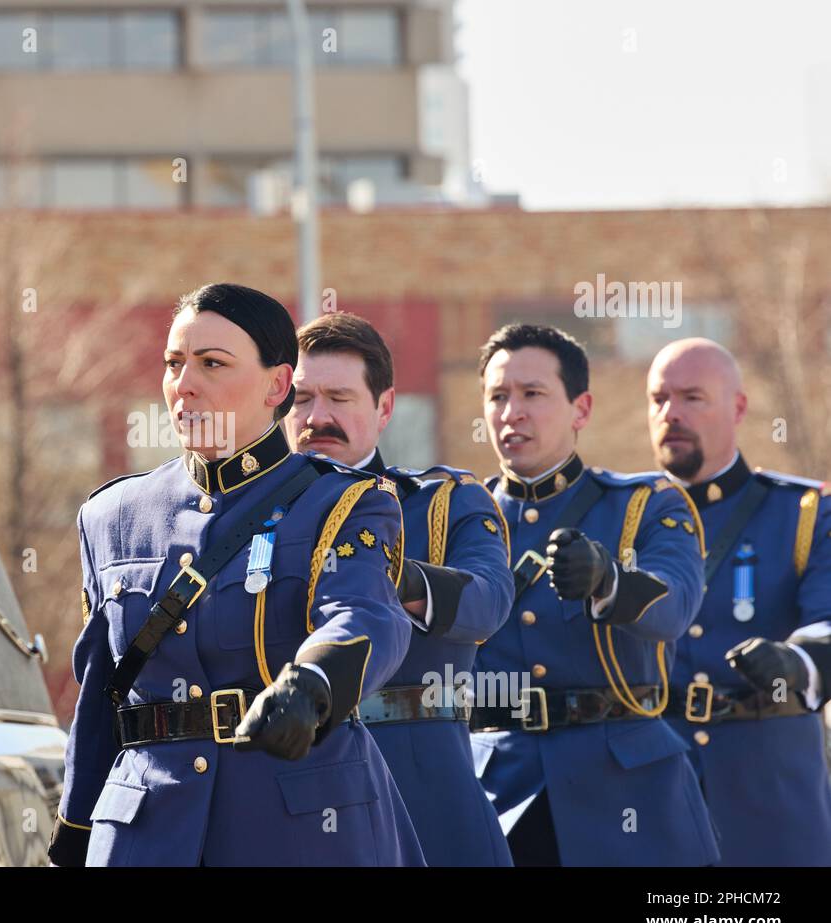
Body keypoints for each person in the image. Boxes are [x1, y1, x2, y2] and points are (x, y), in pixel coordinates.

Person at [47, 284, 424, 866]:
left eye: (212, 364)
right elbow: (103, 692)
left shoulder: (339, 501)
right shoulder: (112, 516)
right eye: (174, 363)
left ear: (278, 386)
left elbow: (367, 613)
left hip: (300, 825)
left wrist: (313, 684)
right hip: (146, 833)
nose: (185, 384)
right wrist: (75, 830)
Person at [471, 324, 718, 866]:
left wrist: (609, 581)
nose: (512, 412)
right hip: (501, 796)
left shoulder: (645, 505)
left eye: (533, 394)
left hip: (627, 792)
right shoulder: (466, 517)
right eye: (498, 396)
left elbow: (674, 606)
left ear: (580, 409)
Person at [284, 311, 514, 866]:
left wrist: (396, 574)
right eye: (301, 399)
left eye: (339, 397)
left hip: (422, 795)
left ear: (384, 407)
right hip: (286, 793)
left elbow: (488, 602)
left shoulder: (442, 503)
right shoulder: (253, 522)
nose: (318, 417)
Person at [646, 337, 831, 865]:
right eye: (658, 399)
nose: (670, 413)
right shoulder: (623, 521)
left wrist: (792, 661)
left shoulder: (803, 513)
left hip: (768, 791)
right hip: (653, 792)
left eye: (692, 398)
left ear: (739, 407)